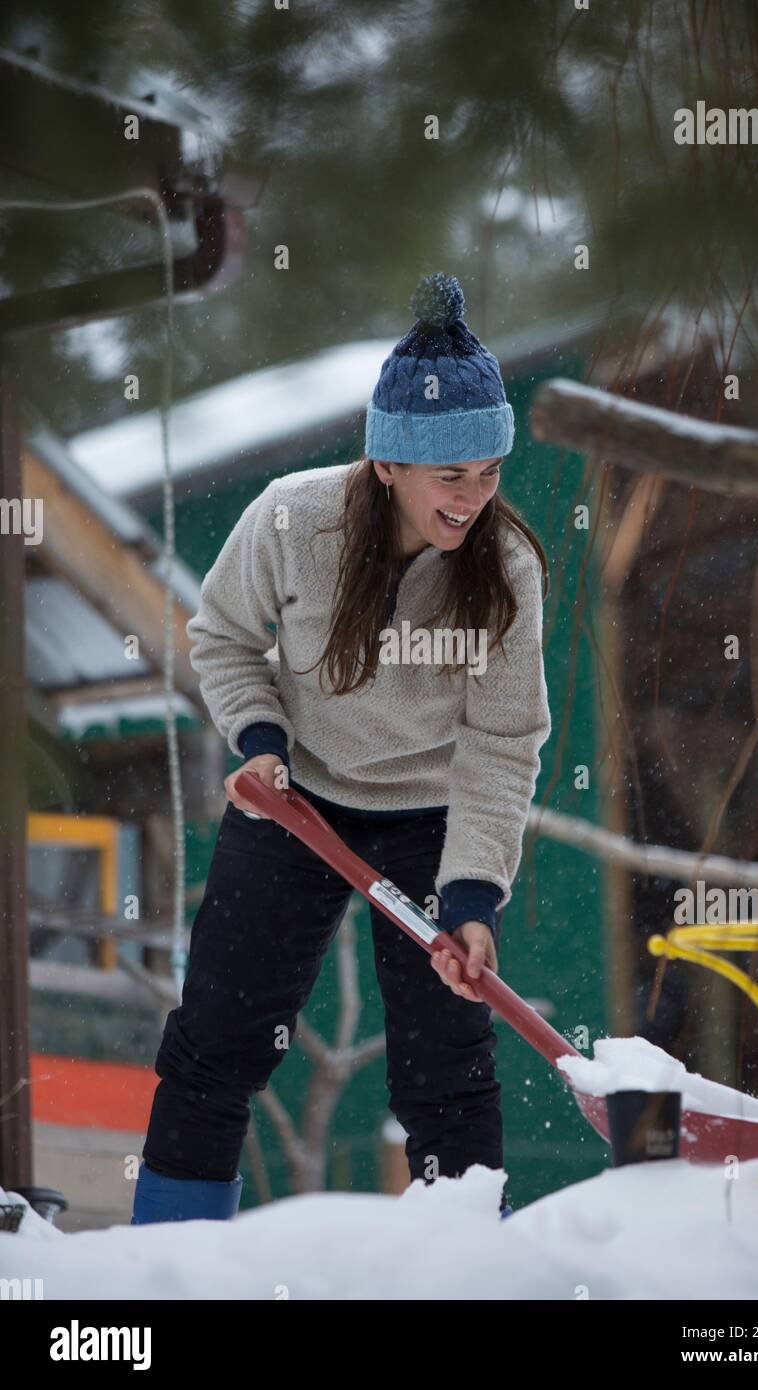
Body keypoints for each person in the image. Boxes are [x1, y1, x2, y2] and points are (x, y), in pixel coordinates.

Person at [131, 272, 551, 1224]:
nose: (475, 498)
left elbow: (503, 741)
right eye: (453, 475)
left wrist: (473, 897)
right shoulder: (292, 519)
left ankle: (465, 1275)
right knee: (216, 1043)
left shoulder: (509, 569)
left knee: (446, 1072)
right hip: (299, 802)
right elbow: (223, 635)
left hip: (431, 822)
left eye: (490, 472)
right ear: (389, 463)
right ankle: (170, 1262)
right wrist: (261, 739)